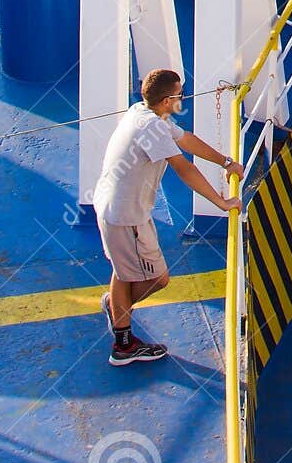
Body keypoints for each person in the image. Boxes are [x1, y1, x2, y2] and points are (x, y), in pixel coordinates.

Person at [93, 67, 241, 366]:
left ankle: (118, 317)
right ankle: (122, 337)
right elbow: (183, 167)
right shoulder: (153, 128)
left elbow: (187, 140)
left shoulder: (143, 112)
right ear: (166, 101)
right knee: (157, 279)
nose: (183, 98)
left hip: (117, 208)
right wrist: (221, 202)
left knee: (123, 273)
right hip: (127, 216)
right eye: (179, 95)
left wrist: (226, 162)